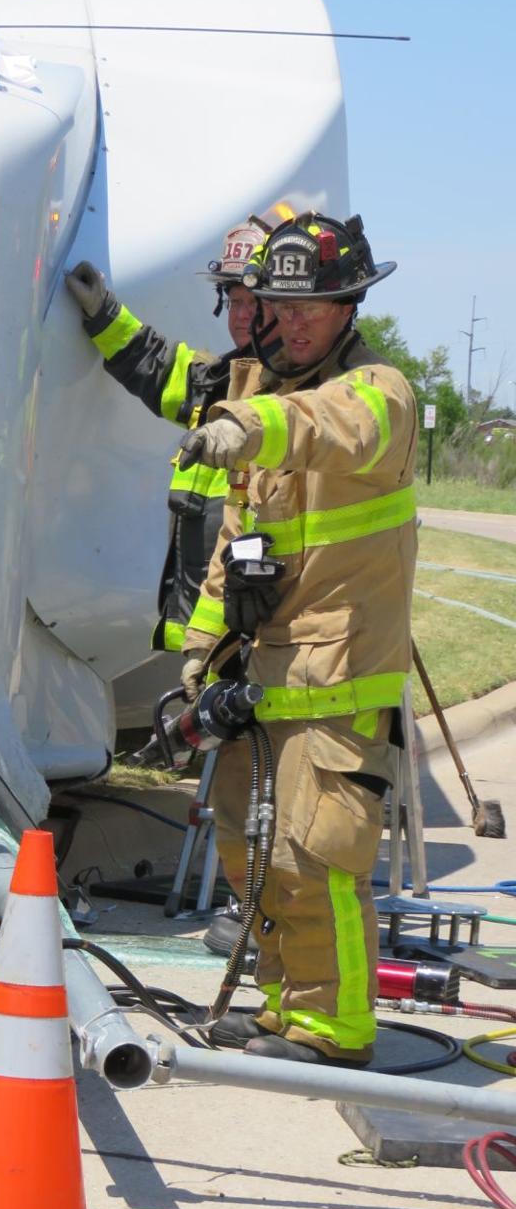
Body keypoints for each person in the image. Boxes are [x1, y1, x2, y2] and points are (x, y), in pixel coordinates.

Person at [175, 212, 416, 1066]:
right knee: (257, 856)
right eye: (283, 303)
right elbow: (235, 548)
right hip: (263, 677)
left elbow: (325, 423)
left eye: (320, 303)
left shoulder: (382, 394)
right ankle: (283, 1005)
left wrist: (246, 423)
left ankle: (337, 1026)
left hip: (341, 680)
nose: (300, 319)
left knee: (321, 861)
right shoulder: (266, 390)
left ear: (351, 304)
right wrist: (198, 658)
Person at [64, 208, 288, 650]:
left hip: (256, 630)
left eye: (254, 303)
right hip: (213, 631)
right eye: (235, 302)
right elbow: (160, 368)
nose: (241, 316)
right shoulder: (222, 380)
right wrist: (104, 315)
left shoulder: (297, 394)